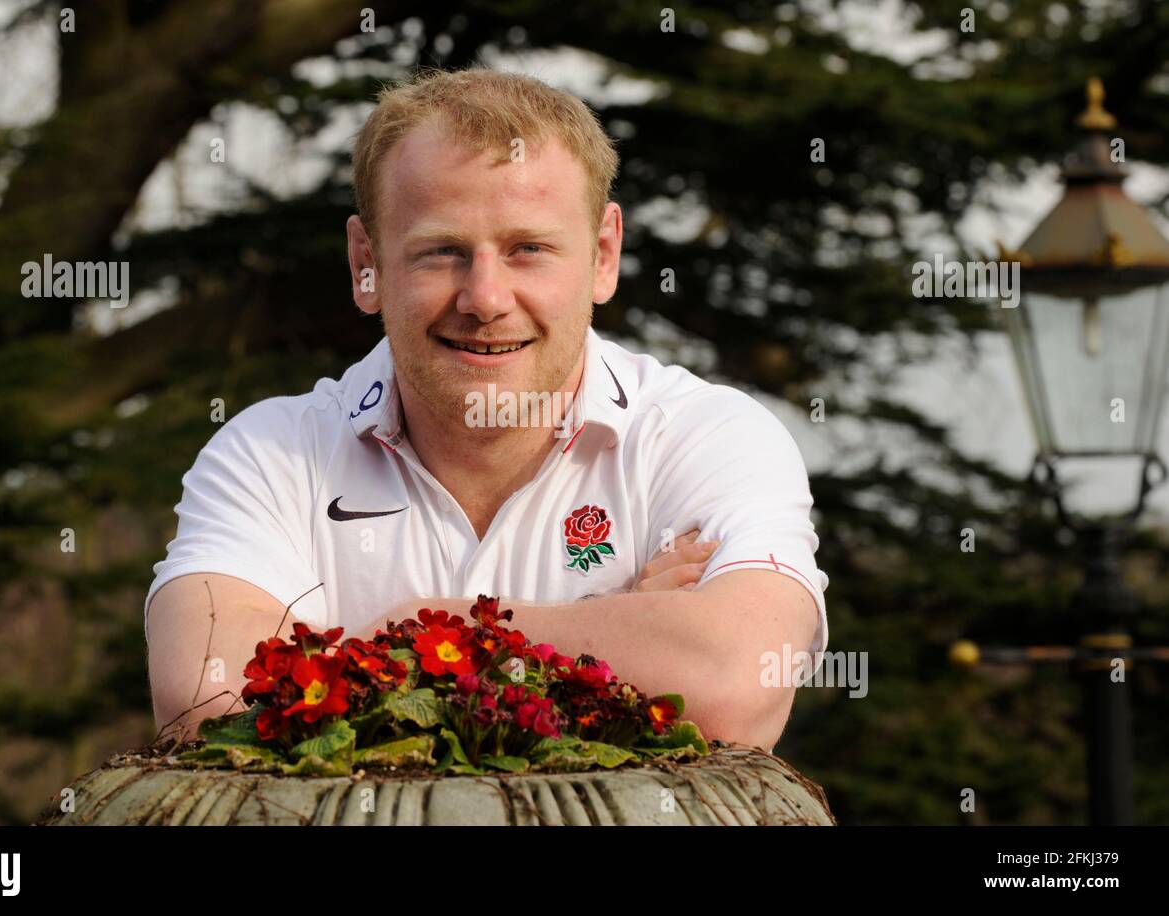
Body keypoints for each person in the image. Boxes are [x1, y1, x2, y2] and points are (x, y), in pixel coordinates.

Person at [145, 67, 829, 751]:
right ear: (367, 263)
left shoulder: (707, 437)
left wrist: (432, 622)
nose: (485, 299)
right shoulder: (268, 454)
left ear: (602, 255)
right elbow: (208, 697)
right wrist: (612, 634)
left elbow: (737, 682)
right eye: (441, 252)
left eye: (528, 249)